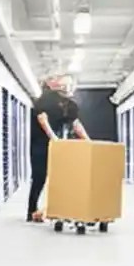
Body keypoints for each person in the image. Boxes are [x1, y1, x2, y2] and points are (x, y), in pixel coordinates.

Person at [28, 75, 89, 222]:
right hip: (40, 143)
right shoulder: (45, 100)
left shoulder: (71, 105)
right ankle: (32, 211)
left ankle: (59, 209)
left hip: (58, 145)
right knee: (39, 177)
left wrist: (89, 142)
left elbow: (76, 124)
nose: (69, 88)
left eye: (71, 85)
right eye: (66, 85)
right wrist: (54, 138)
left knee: (62, 177)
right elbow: (42, 120)